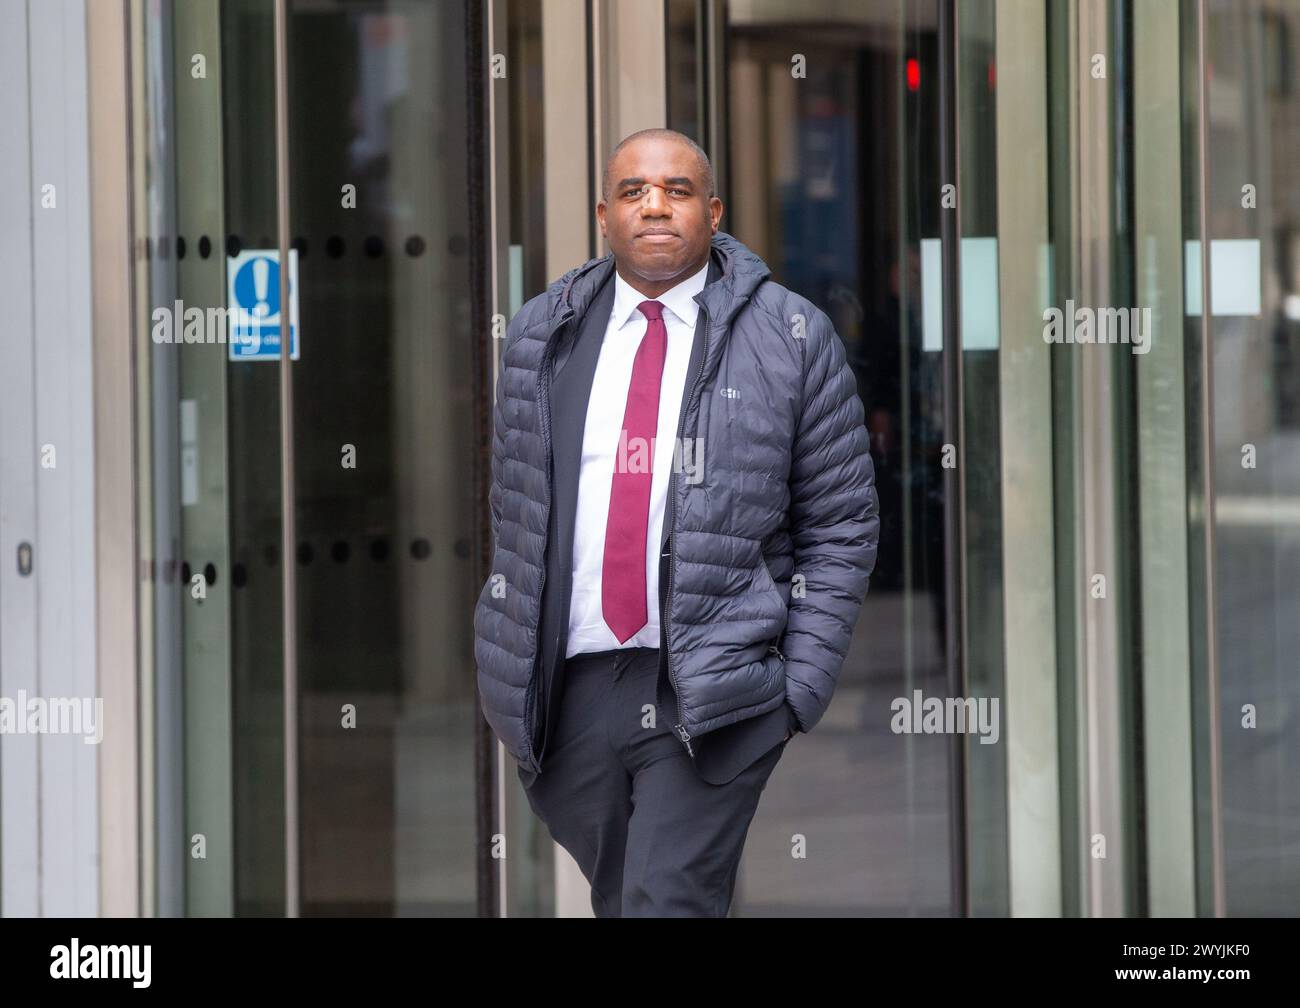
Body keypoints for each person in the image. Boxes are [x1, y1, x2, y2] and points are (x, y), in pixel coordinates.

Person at [474, 127, 879, 917]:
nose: (654, 206)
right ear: (603, 214)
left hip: (711, 687)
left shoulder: (791, 339)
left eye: (678, 190)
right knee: (627, 898)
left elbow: (841, 524)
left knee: (666, 899)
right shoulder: (539, 336)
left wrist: (797, 687)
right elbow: (513, 511)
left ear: (715, 211)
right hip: (570, 691)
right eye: (633, 191)